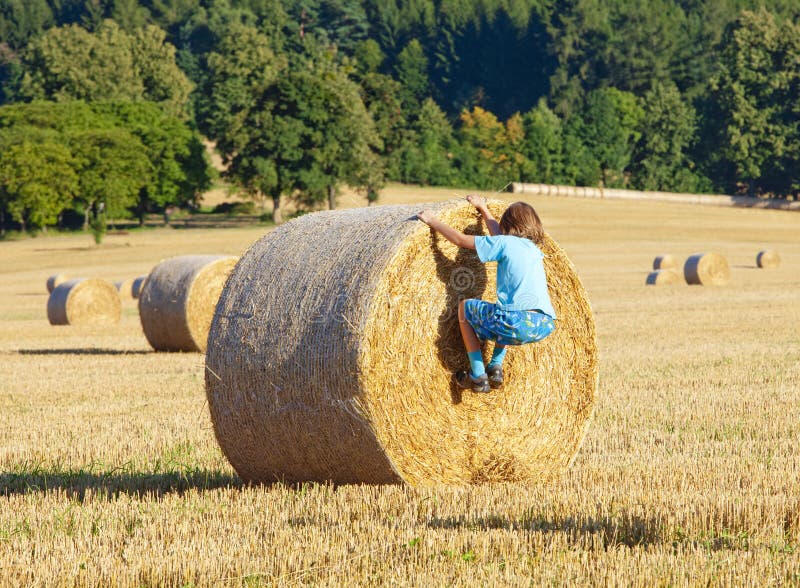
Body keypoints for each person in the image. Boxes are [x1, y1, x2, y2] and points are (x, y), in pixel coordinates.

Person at [416, 195, 556, 393]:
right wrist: (483, 209)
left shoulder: (505, 244)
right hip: (543, 324)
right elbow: (499, 238)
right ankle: (496, 366)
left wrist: (433, 221)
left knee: (467, 308)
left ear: (507, 224)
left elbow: (460, 240)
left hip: (514, 320)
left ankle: (478, 373)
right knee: (506, 312)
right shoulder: (533, 250)